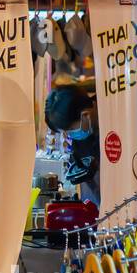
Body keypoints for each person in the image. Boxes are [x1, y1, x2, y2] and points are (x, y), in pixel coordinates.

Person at [45, 80, 100, 208]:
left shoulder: (114, 118)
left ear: (85, 116)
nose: (69, 136)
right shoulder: (82, 136)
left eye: (70, 131)